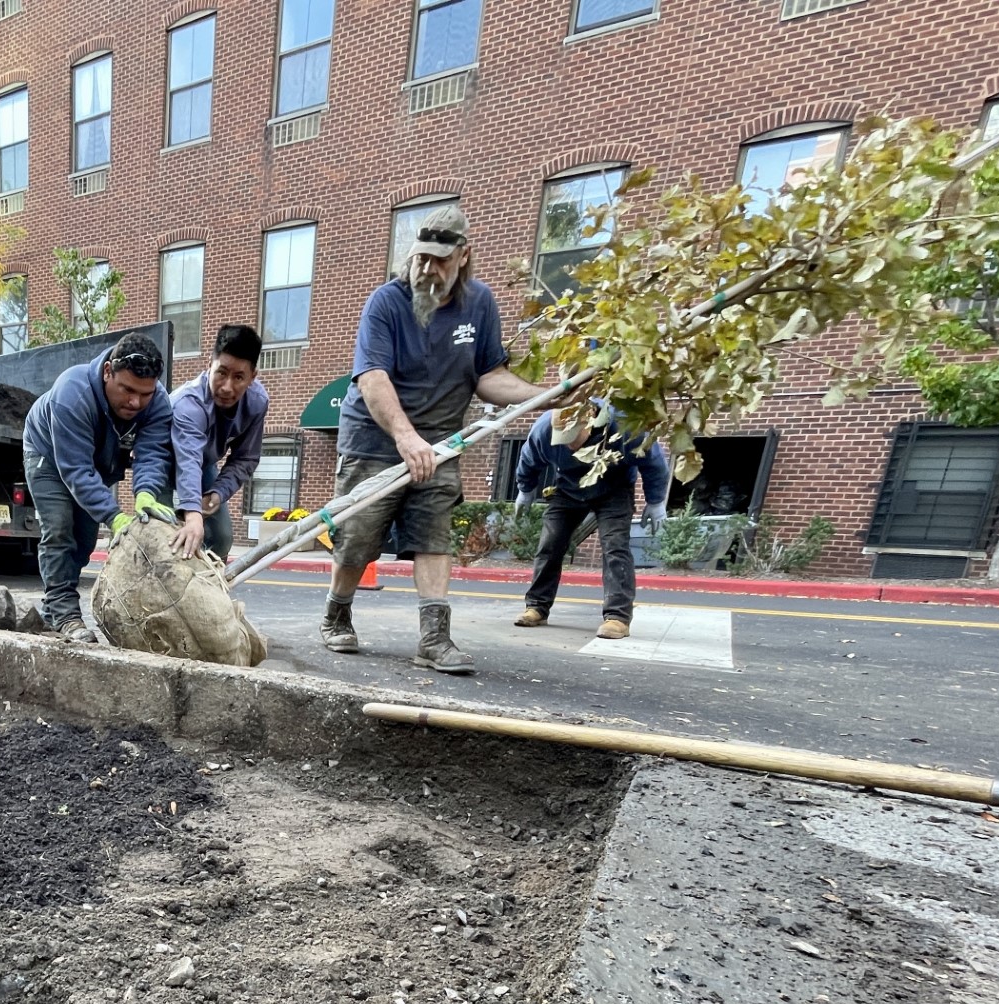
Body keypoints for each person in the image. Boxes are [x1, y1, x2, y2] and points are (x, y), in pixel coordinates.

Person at [324, 203, 553, 674]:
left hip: (443, 442)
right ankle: (337, 614)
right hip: (377, 439)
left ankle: (433, 639)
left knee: (433, 536)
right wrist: (405, 438)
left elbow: (489, 376)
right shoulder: (386, 302)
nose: (427, 269)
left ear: (463, 257)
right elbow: (372, 378)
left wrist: (543, 397)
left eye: (439, 260)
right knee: (357, 537)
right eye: (420, 258)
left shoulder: (481, 304)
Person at [21, 332, 182, 642]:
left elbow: (152, 452)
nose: (136, 402)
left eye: (145, 394)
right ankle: (63, 612)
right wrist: (115, 516)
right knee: (59, 528)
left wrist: (145, 492)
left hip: (96, 460)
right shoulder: (72, 392)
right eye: (127, 390)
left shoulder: (157, 401)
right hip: (49, 456)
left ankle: (55, 605)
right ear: (108, 372)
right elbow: (76, 471)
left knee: (83, 539)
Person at [512, 403, 669, 638]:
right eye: (563, 438)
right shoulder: (544, 429)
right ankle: (536, 606)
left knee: (615, 548)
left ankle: (617, 618)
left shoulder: (625, 428)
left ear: (591, 423)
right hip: (568, 487)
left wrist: (655, 501)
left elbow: (654, 464)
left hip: (613, 488)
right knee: (550, 545)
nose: (569, 444)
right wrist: (525, 490)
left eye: (574, 437)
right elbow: (529, 459)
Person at [137, 324, 270, 564]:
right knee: (163, 537)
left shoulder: (257, 403)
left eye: (239, 377)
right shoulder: (188, 403)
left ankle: (209, 590)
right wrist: (193, 516)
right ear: (210, 365)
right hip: (161, 463)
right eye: (221, 372)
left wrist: (218, 493)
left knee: (221, 537)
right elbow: (188, 460)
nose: (227, 387)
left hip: (203, 464)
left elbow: (245, 458)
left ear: (252, 377)